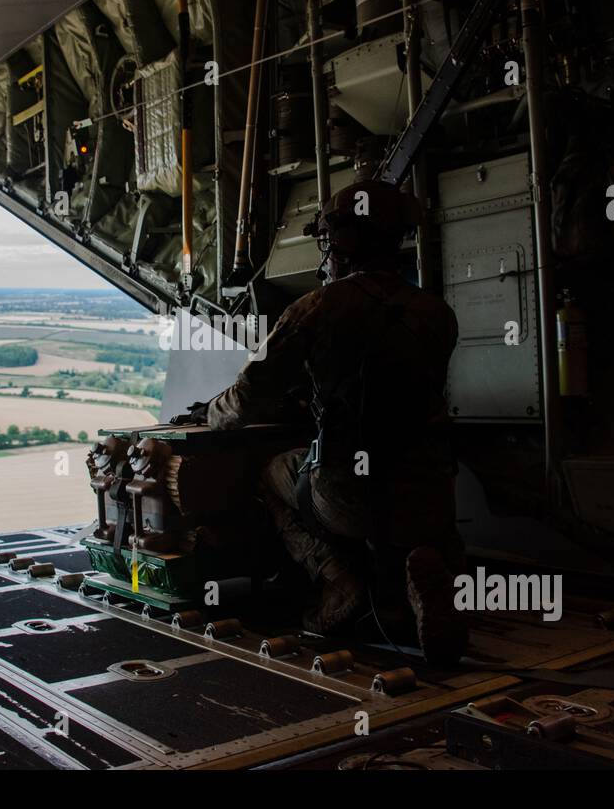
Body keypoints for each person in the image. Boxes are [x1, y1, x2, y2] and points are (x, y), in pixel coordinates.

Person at [192, 180, 465, 663]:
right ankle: (411, 585)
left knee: (274, 472)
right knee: (398, 509)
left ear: (342, 243)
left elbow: (249, 398)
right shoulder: (438, 314)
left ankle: (339, 581)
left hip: (348, 495)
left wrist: (210, 413)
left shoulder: (317, 307)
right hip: (430, 492)